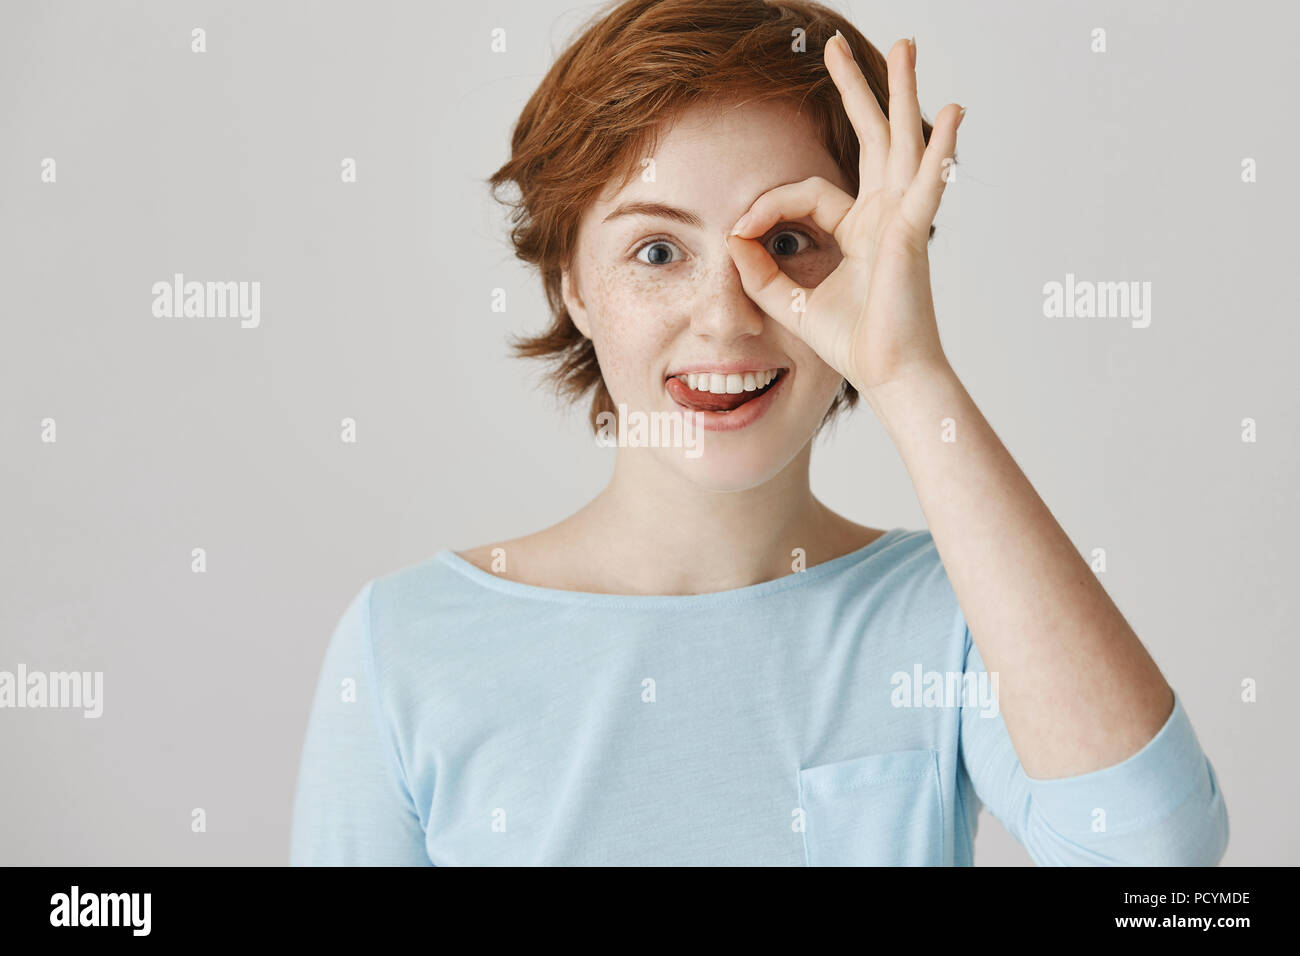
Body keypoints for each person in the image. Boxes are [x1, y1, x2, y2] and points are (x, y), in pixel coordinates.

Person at [290, 0, 1228, 865]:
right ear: (574, 284)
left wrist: (908, 372)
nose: (727, 318)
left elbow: (1159, 864)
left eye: (786, 242)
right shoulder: (405, 645)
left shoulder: (959, 618)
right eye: (657, 251)